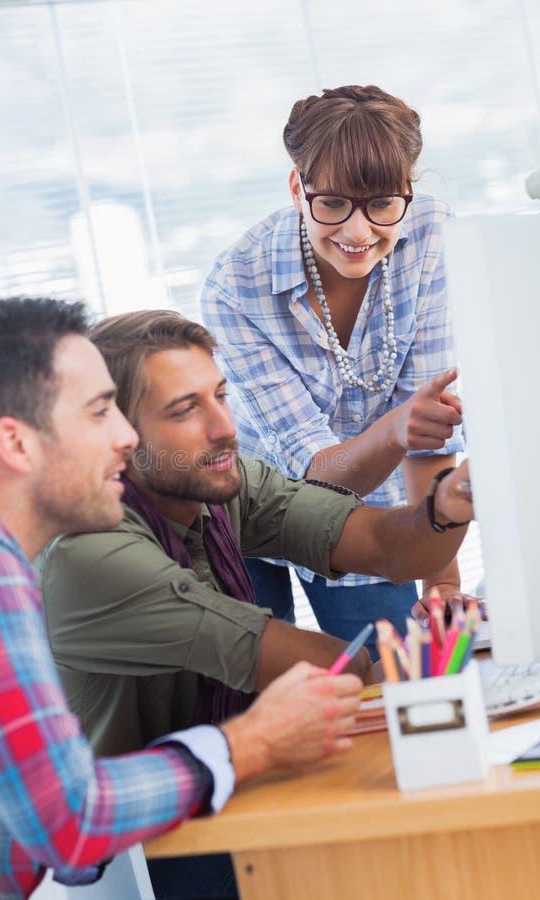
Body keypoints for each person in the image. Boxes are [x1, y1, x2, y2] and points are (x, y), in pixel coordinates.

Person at [0, 297, 367, 900]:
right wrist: (252, 741)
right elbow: (70, 822)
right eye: (98, 414)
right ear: (16, 444)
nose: (125, 436)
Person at [39, 308, 473, 768]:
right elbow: (325, 665)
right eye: (186, 409)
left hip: (227, 782)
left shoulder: (221, 484)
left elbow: (387, 546)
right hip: (139, 825)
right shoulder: (87, 551)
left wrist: (445, 504)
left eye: (220, 396)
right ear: (116, 434)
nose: (225, 428)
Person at [200, 84, 470, 655]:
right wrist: (399, 427)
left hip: (374, 503)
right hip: (248, 499)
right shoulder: (236, 286)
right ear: (298, 188)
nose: (357, 231)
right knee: (257, 680)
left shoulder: (432, 235)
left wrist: (441, 581)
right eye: (332, 203)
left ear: (408, 192)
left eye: (381, 204)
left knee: (394, 663)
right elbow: (317, 473)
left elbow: (430, 429)